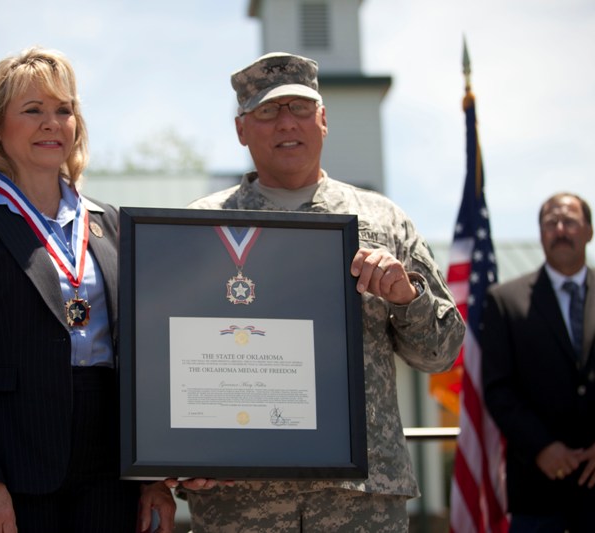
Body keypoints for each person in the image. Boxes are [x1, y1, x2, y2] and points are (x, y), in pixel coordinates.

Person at [174, 52, 466, 531]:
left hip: (361, 500)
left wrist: (404, 297)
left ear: (323, 120)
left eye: (301, 109)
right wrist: (182, 453)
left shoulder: (384, 222)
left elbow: (443, 354)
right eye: (267, 111)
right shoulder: (201, 226)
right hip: (242, 499)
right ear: (241, 129)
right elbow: (172, 352)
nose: (286, 122)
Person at [0, 46, 174, 533]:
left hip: (108, 473)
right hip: (9, 466)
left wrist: (152, 476)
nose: (52, 123)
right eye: (32, 111)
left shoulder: (111, 223)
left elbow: (141, 356)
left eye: (64, 110)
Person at [481, 192, 595, 532]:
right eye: (551, 223)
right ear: (541, 234)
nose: (560, 229)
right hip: (538, 491)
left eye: (570, 221)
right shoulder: (506, 301)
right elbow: (498, 389)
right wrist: (543, 447)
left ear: (590, 231)